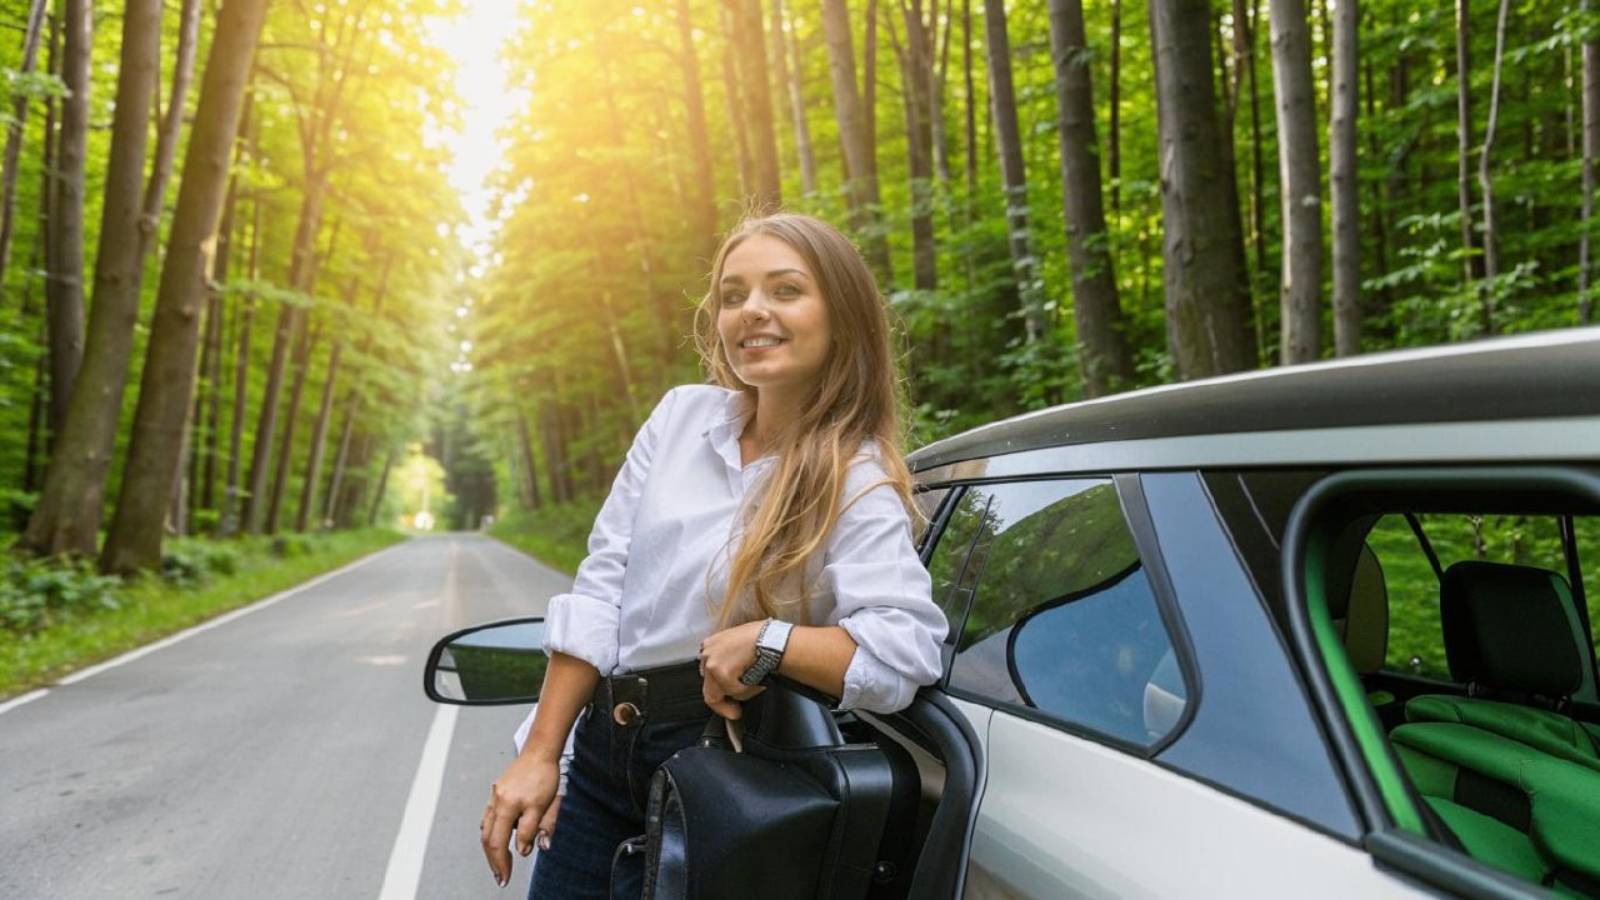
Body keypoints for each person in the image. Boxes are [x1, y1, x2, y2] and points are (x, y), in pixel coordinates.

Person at [479, 212, 948, 898]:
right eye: (733, 295)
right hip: (601, 764)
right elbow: (601, 588)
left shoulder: (857, 476)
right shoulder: (680, 417)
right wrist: (542, 754)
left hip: (724, 777)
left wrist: (769, 642)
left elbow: (904, 650)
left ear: (841, 318)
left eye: (785, 290)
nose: (752, 310)